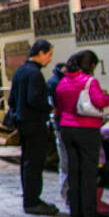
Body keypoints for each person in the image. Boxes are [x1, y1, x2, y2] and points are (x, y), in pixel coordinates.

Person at [54, 49, 109, 217]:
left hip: (66, 129)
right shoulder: (89, 81)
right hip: (87, 128)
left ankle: (75, 209)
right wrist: (106, 98)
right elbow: (99, 101)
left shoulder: (63, 82)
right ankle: (89, 210)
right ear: (91, 65)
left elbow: (60, 106)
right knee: (88, 170)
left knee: (73, 169)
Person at [6, 39, 56, 214]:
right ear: (40, 53)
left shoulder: (20, 71)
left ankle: (29, 197)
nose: (49, 59)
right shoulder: (34, 74)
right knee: (35, 163)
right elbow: (34, 99)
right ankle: (32, 201)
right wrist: (50, 108)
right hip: (35, 123)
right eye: (48, 55)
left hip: (23, 124)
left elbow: (11, 100)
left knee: (27, 162)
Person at [46, 59, 71, 207]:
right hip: (67, 125)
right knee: (67, 161)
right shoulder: (59, 83)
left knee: (65, 160)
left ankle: (67, 195)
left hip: (63, 125)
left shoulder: (55, 82)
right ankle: (68, 194)